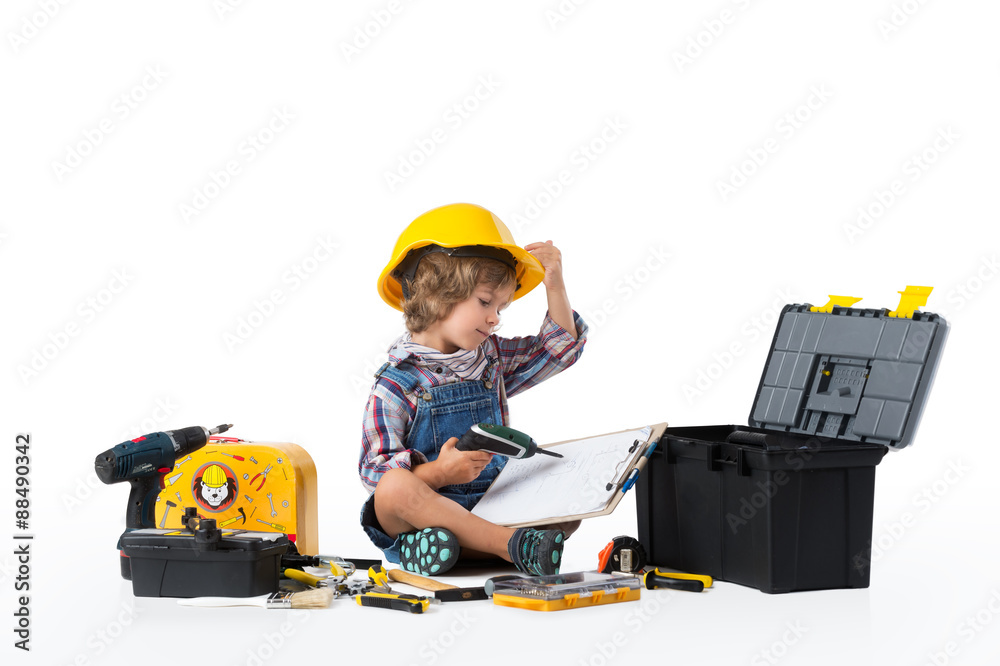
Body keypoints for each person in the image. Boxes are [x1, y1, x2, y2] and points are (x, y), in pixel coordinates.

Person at [358, 203, 588, 576]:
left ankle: (452, 550)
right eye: (485, 302)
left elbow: (556, 351)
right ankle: (507, 547)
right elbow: (374, 474)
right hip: (423, 513)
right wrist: (438, 473)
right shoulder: (396, 384)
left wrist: (555, 285)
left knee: (568, 500)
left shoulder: (490, 360)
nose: (495, 318)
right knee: (393, 488)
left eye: (501, 307)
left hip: (490, 507)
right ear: (436, 294)